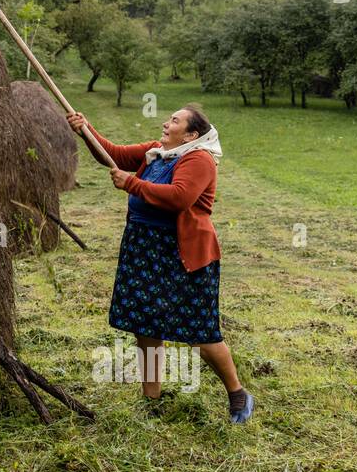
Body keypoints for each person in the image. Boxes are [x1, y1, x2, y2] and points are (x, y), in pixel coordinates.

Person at [66, 104, 253, 423]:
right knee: (145, 323)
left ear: (192, 134)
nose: (166, 124)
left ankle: (237, 394)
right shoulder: (156, 151)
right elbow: (112, 154)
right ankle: (151, 397)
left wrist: (132, 184)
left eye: (175, 121)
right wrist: (85, 129)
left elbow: (179, 197)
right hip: (144, 248)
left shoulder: (199, 159)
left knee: (200, 330)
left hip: (183, 253)